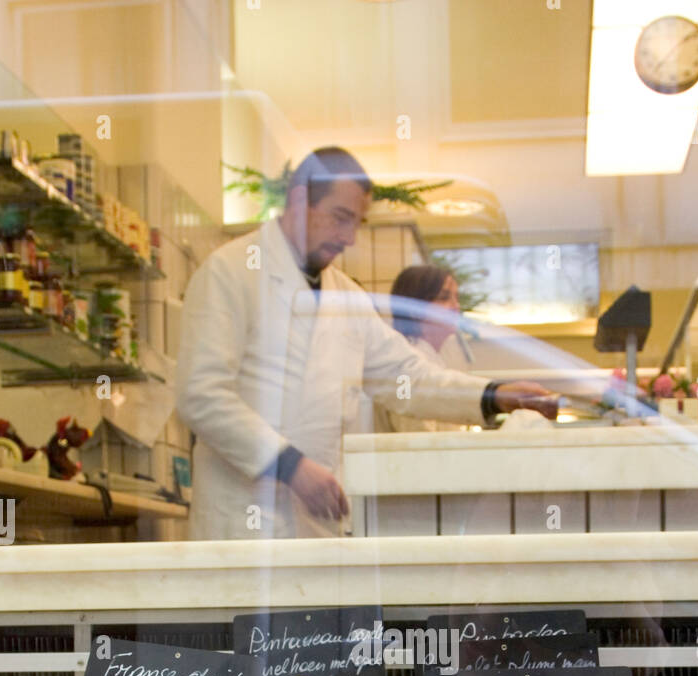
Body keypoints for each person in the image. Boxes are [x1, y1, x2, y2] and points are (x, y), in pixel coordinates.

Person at [175, 146, 559, 540]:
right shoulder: (230, 271)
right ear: (299, 200)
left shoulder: (347, 297)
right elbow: (201, 395)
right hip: (242, 522)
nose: (349, 238)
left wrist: (494, 395)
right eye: (340, 218)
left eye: (356, 223)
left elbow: (407, 376)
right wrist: (291, 467)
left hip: (315, 526)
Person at [376, 264, 465, 433]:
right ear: (414, 309)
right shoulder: (402, 366)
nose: (456, 306)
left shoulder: (436, 359)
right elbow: (411, 432)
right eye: (444, 298)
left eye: (456, 297)